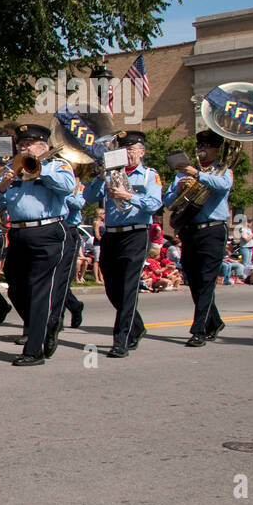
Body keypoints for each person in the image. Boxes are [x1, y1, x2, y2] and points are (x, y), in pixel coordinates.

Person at [0, 123, 76, 366]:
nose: (24, 147)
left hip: (48, 231)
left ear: (43, 146)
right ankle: (47, 323)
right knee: (15, 287)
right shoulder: (10, 169)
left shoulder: (58, 166)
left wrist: (39, 169)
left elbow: (68, 188)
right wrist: (3, 185)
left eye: (29, 144)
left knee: (40, 291)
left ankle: (34, 349)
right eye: (22, 144)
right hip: (18, 234)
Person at [84, 130, 161, 358]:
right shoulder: (111, 174)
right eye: (124, 149)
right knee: (112, 288)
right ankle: (136, 325)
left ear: (141, 152)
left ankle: (121, 341)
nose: (127, 153)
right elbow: (87, 198)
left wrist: (129, 196)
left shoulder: (149, 175)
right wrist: (100, 176)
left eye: (131, 149)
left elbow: (155, 204)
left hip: (136, 234)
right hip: (112, 235)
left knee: (128, 288)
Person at [164, 128, 232, 345]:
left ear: (215, 150)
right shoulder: (182, 173)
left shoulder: (221, 171)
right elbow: (167, 201)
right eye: (199, 146)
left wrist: (197, 175)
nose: (201, 150)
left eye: (206, 147)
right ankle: (215, 321)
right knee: (193, 279)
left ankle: (199, 329)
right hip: (190, 230)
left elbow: (223, 186)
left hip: (212, 230)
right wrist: (178, 190)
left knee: (206, 280)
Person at [58, 180, 86, 329]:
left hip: (70, 230)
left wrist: (62, 192)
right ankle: (74, 306)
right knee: (54, 278)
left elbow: (79, 203)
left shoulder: (77, 186)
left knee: (64, 278)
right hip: (54, 229)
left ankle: (58, 319)